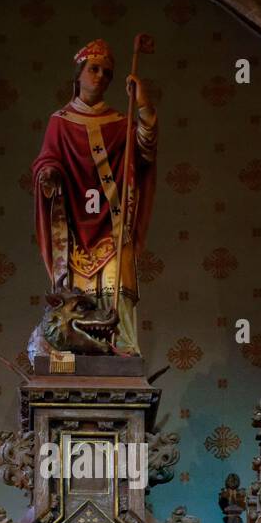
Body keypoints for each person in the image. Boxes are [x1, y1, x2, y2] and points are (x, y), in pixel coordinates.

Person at [32, 39, 157, 354]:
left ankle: (123, 349)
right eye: (94, 69)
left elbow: (145, 149)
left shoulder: (119, 122)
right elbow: (46, 161)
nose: (100, 76)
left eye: (107, 73)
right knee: (78, 296)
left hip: (113, 225)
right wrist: (49, 175)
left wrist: (143, 107)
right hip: (75, 227)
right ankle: (74, 351)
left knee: (118, 287)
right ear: (79, 74)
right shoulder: (59, 122)